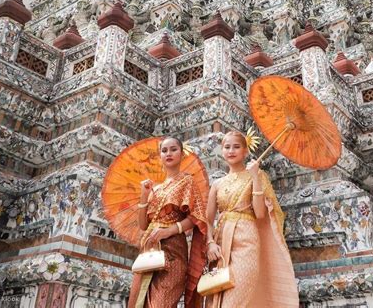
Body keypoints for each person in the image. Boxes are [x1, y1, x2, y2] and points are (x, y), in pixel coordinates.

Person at [206, 131, 299, 307]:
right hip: (221, 242)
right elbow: (207, 220)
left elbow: (260, 213)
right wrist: (210, 242)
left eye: (236, 147)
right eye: (227, 147)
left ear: (246, 151)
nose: (231, 151)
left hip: (247, 240)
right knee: (217, 296)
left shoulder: (257, 175)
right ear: (222, 151)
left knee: (237, 299)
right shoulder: (217, 184)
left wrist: (255, 176)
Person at [128, 137, 207, 308]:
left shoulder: (187, 181)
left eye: (173, 149)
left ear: (181, 153)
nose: (168, 153)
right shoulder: (155, 188)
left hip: (173, 250)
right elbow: (143, 225)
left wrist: (169, 231)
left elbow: (195, 218)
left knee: (161, 303)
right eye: (164, 151)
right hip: (149, 248)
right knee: (140, 302)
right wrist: (144, 195)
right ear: (160, 156)